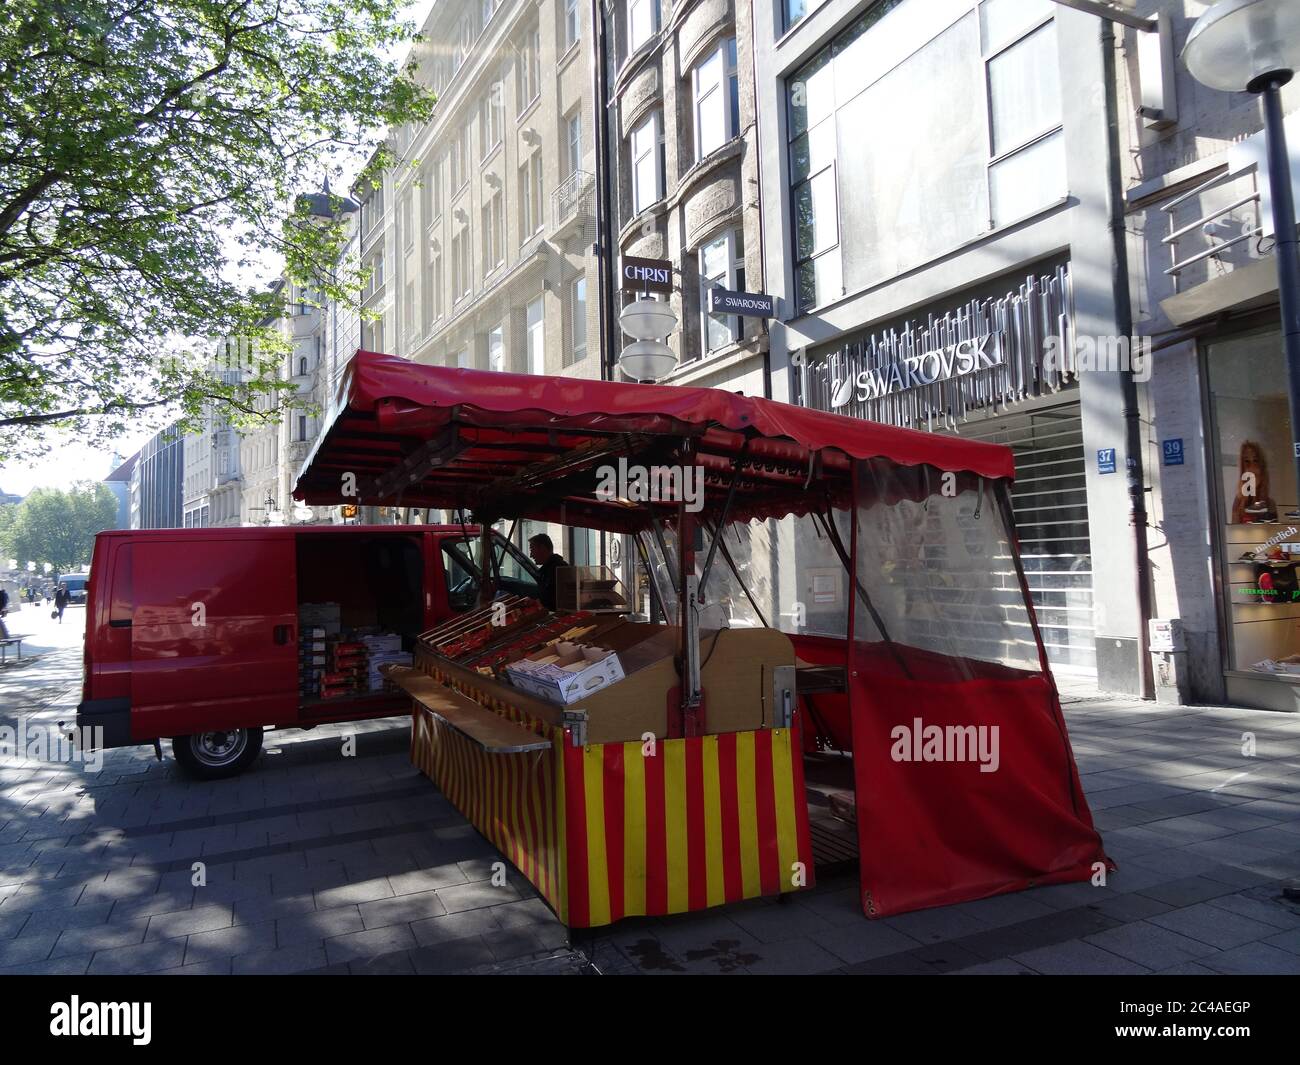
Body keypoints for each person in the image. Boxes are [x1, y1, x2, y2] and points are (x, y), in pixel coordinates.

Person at [527, 533, 567, 611]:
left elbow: (553, 604)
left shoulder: (560, 570)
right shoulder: (548, 570)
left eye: (532, 550)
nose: (531, 555)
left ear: (542, 548)